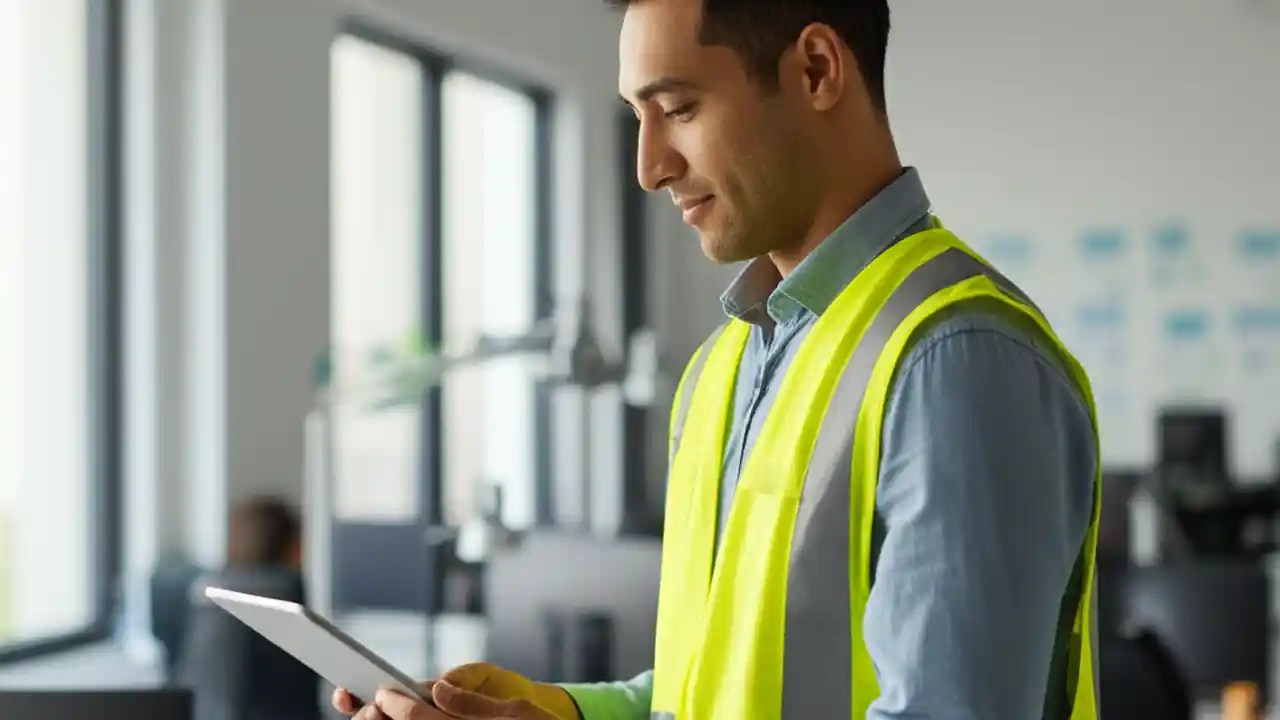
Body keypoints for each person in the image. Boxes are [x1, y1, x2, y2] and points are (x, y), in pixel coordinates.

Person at [335, 0, 1100, 717]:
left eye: (677, 109)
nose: (649, 167)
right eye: (637, 117)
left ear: (816, 71)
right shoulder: (722, 368)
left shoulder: (956, 364)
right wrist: (555, 712)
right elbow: (700, 689)